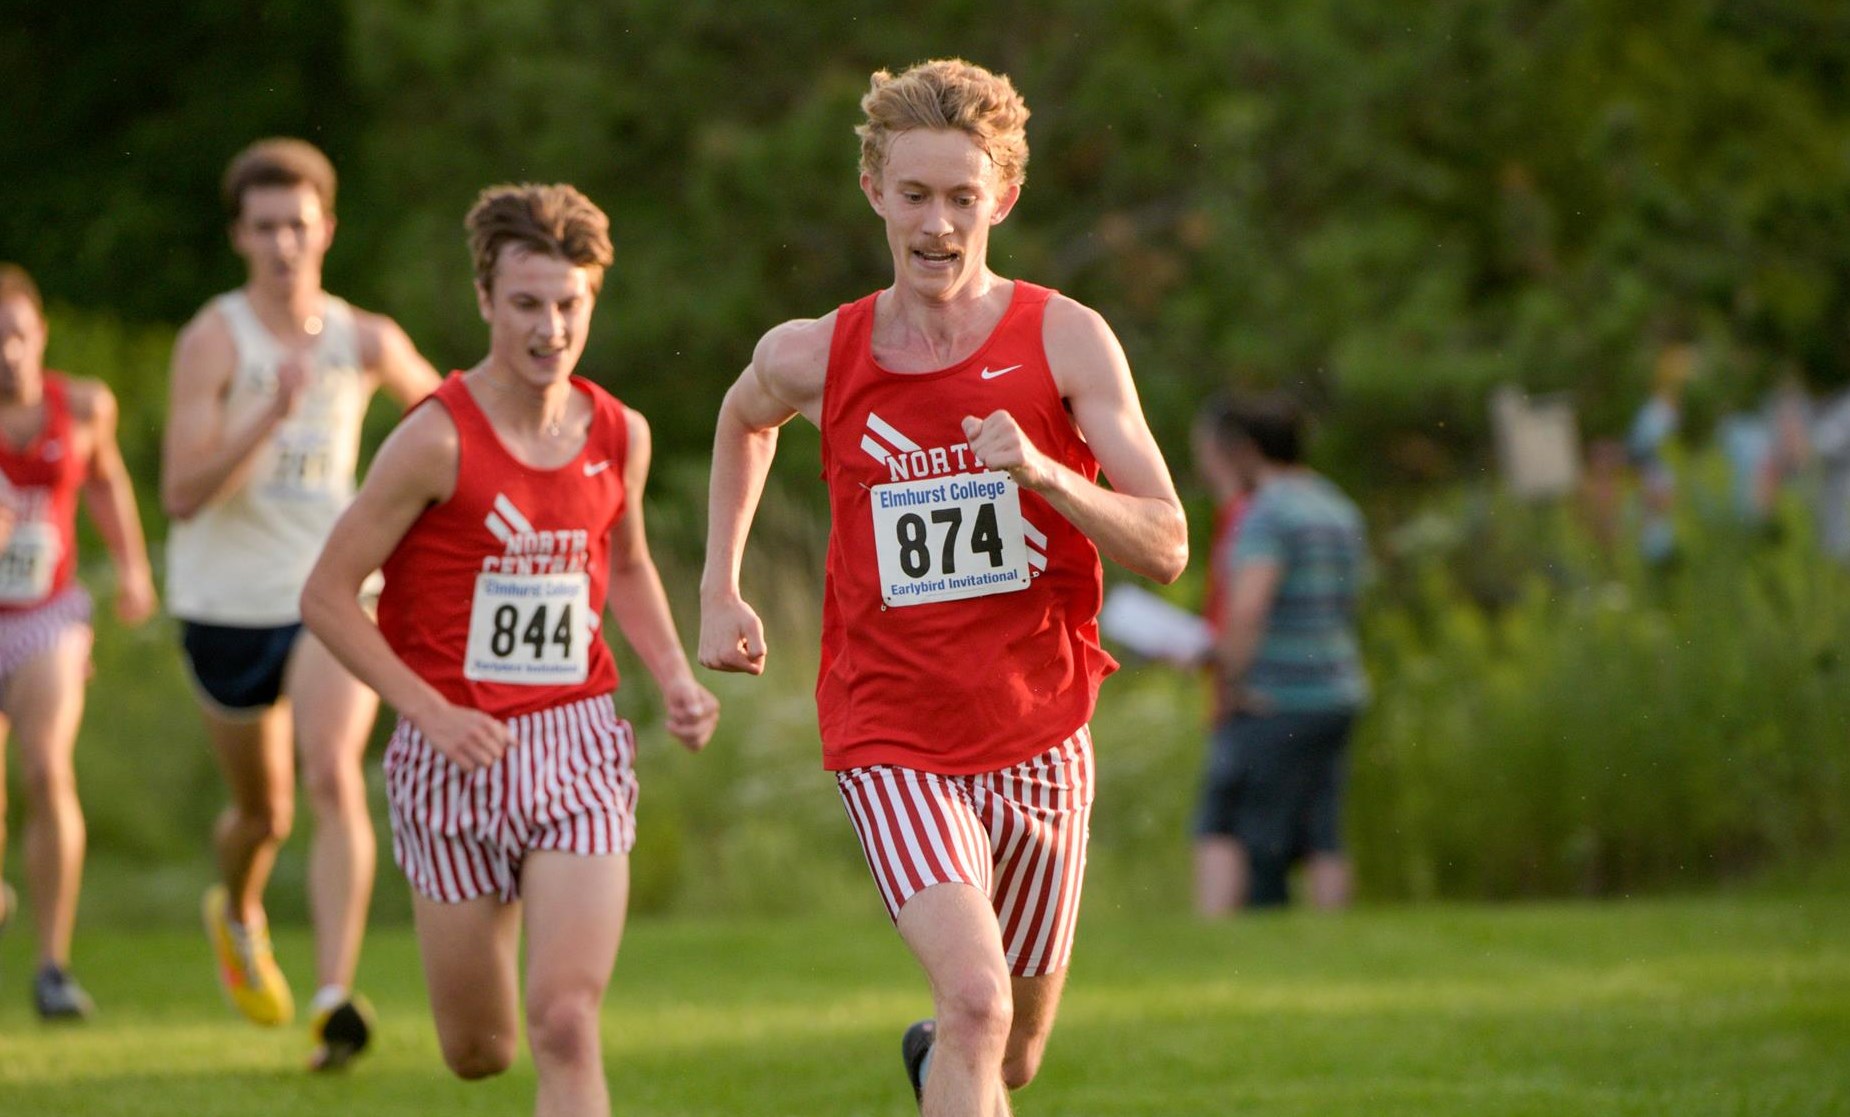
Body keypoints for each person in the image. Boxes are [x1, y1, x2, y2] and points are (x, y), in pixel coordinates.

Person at [698, 59, 1187, 1116]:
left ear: (1000, 199)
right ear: (871, 186)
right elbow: (742, 419)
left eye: (961, 197)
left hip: (1039, 725)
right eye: (913, 194)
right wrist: (720, 587)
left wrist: (1046, 473)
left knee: (1008, 1049)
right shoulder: (816, 353)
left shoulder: (1063, 338)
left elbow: (1165, 543)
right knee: (974, 1001)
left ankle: (944, 1067)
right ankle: (953, 1045)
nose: (936, 224)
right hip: (890, 729)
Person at [301, 182, 718, 1116]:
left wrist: (676, 676)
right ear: (486, 300)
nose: (550, 328)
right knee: (480, 1051)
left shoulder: (620, 432)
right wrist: (432, 712)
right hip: (449, 754)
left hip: (576, 744)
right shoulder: (432, 441)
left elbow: (629, 565)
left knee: (566, 1021)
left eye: (570, 304)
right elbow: (326, 597)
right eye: (527, 303)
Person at [160, 138, 439, 1068]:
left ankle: (332, 999)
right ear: (240, 235)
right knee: (264, 814)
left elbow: (456, 423)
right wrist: (263, 415)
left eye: (300, 224)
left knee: (330, 776)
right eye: (266, 227)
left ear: (327, 228)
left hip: (330, 591)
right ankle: (236, 907)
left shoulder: (366, 337)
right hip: (227, 603)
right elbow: (181, 493)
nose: (285, 243)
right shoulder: (215, 337)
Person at [0, 263, 157, 1019]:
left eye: (16, 337)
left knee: (45, 767)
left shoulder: (85, 405)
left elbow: (106, 478)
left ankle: (52, 964)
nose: (5, 354)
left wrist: (132, 569)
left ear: (40, 335)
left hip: (49, 614)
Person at [1195, 392, 1368, 915]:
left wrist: (1230, 674)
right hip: (1337, 690)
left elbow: (1248, 607)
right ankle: (1333, 937)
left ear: (1245, 450)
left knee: (1251, 831)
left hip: (1278, 698)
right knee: (1323, 832)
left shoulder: (1266, 514)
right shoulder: (1337, 506)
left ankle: (1249, 937)